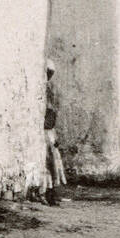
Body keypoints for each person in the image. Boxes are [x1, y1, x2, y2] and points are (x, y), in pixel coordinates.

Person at [43, 60, 67, 205]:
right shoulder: (45, 89)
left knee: (53, 163)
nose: (49, 76)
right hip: (45, 131)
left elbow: (52, 113)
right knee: (49, 163)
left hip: (48, 131)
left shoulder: (50, 89)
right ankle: (47, 192)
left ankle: (52, 193)